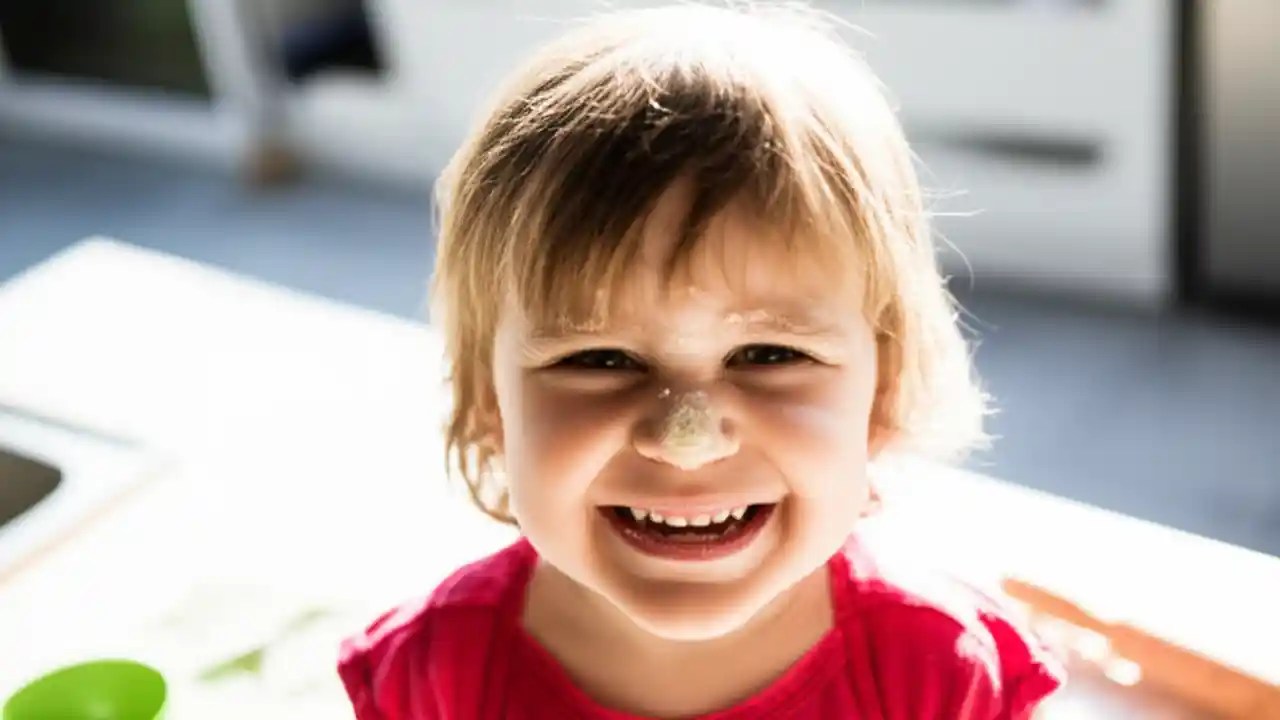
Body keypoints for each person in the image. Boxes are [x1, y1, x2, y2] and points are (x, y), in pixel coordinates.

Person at [338, 4, 1063, 718]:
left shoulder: (939, 676)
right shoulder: (434, 674)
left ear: (884, 392)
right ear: (489, 402)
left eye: (769, 354)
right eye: (601, 359)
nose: (685, 439)